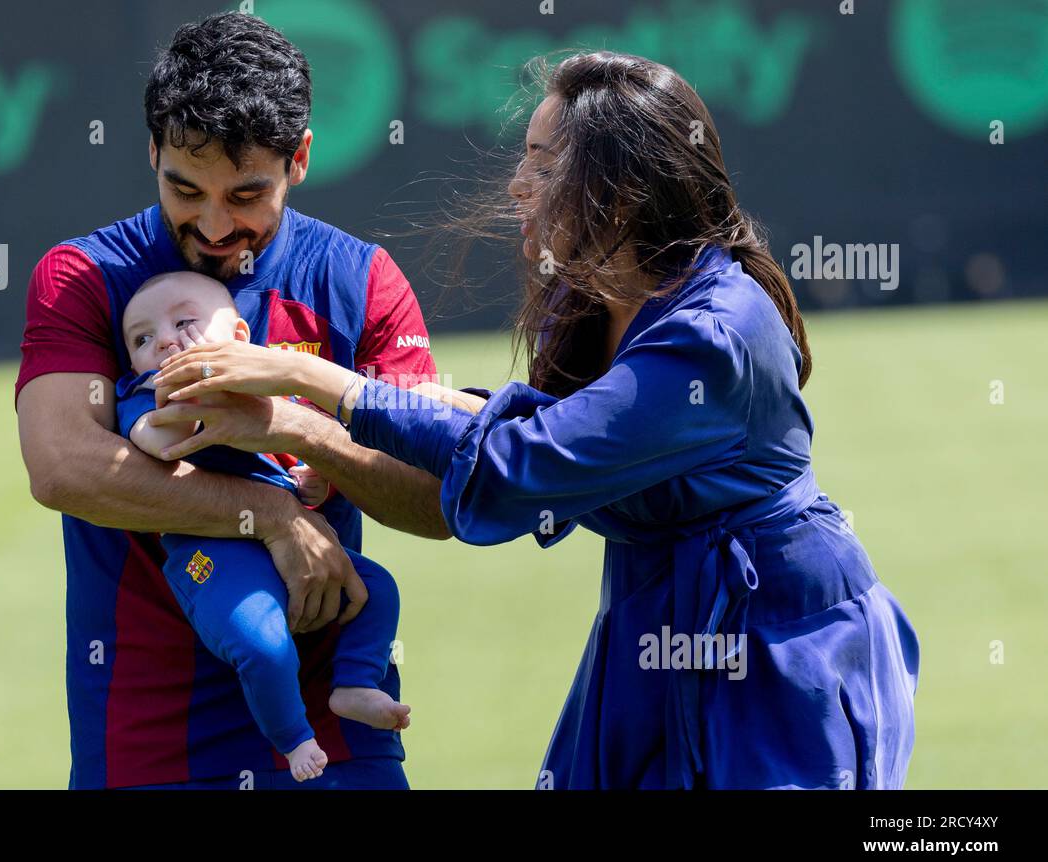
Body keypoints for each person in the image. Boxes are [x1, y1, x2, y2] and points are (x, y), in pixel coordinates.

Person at [146, 51, 922, 789]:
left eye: (546, 165)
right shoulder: (591, 299)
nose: (518, 185)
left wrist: (308, 392)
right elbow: (526, 420)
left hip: (776, 643)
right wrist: (345, 408)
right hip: (656, 616)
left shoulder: (713, 335)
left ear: (621, 191)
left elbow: (523, 466)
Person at [15, 12, 444, 790]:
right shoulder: (82, 275)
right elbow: (62, 466)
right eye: (185, 188)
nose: (214, 225)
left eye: (246, 193)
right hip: (144, 732)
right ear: (151, 150)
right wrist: (271, 514)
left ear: (300, 158)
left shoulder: (360, 280)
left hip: (334, 724)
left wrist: (289, 425)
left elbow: (434, 499)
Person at [115, 271, 411, 782]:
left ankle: (356, 683)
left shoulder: (268, 392)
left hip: (292, 545)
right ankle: (294, 739)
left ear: (241, 341)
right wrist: (187, 397)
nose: (164, 341)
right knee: (262, 643)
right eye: (143, 339)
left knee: (379, 590)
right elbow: (153, 441)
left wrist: (314, 481)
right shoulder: (146, 392)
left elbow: (298, 455)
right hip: (212, 554)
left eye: (184, 323)